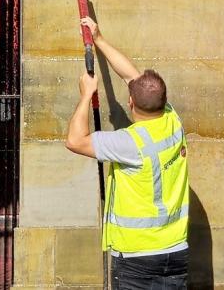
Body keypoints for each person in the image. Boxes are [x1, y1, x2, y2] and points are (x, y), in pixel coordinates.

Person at [65, 17, 189, 289]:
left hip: (136, 258)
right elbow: (132, 77)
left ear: (131, 102)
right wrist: (99, 39)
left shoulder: (130, 143)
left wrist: (86, 94)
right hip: (176, 251)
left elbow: (74, 141)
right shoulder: (173, 121)